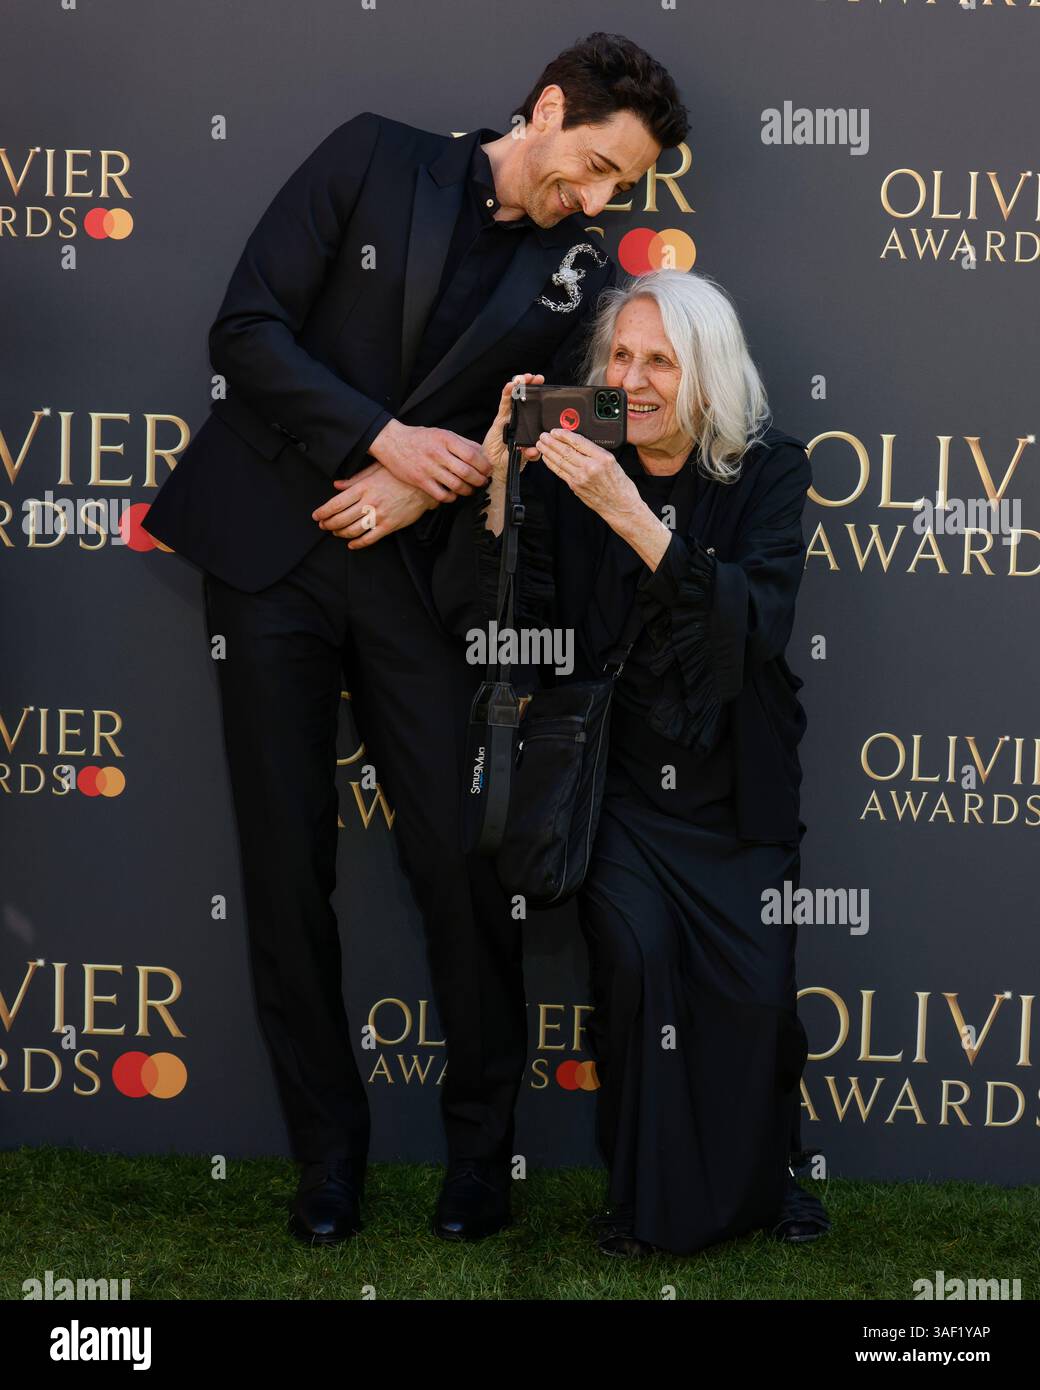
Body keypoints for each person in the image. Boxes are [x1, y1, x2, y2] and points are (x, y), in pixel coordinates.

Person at [141, 34, 688, 1245]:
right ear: (547, 109)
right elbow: (247, 333)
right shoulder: (373, 158)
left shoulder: (577, 269)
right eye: (593, 166)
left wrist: (419, 488)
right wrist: (381, 441)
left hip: (417, 586)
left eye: (618, 190)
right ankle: (326, 1159)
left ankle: (477, 1159)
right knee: (286, 874)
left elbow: (537, 431)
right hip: (270, 563)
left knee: (460, 862)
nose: (595, 203)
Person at [433, 268, 830, 1256]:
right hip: (606, 783)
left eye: (660, 358)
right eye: (619, 355)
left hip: (733, 785)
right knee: (638, 966)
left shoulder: (766, 469)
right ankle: (642, 1197)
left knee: (749, 994)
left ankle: (768, 1174)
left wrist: (626, 510)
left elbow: (754, 625)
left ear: (705, 371)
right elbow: (491, 616)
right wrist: (499, 468)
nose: (635, 378)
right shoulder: (571, 461)